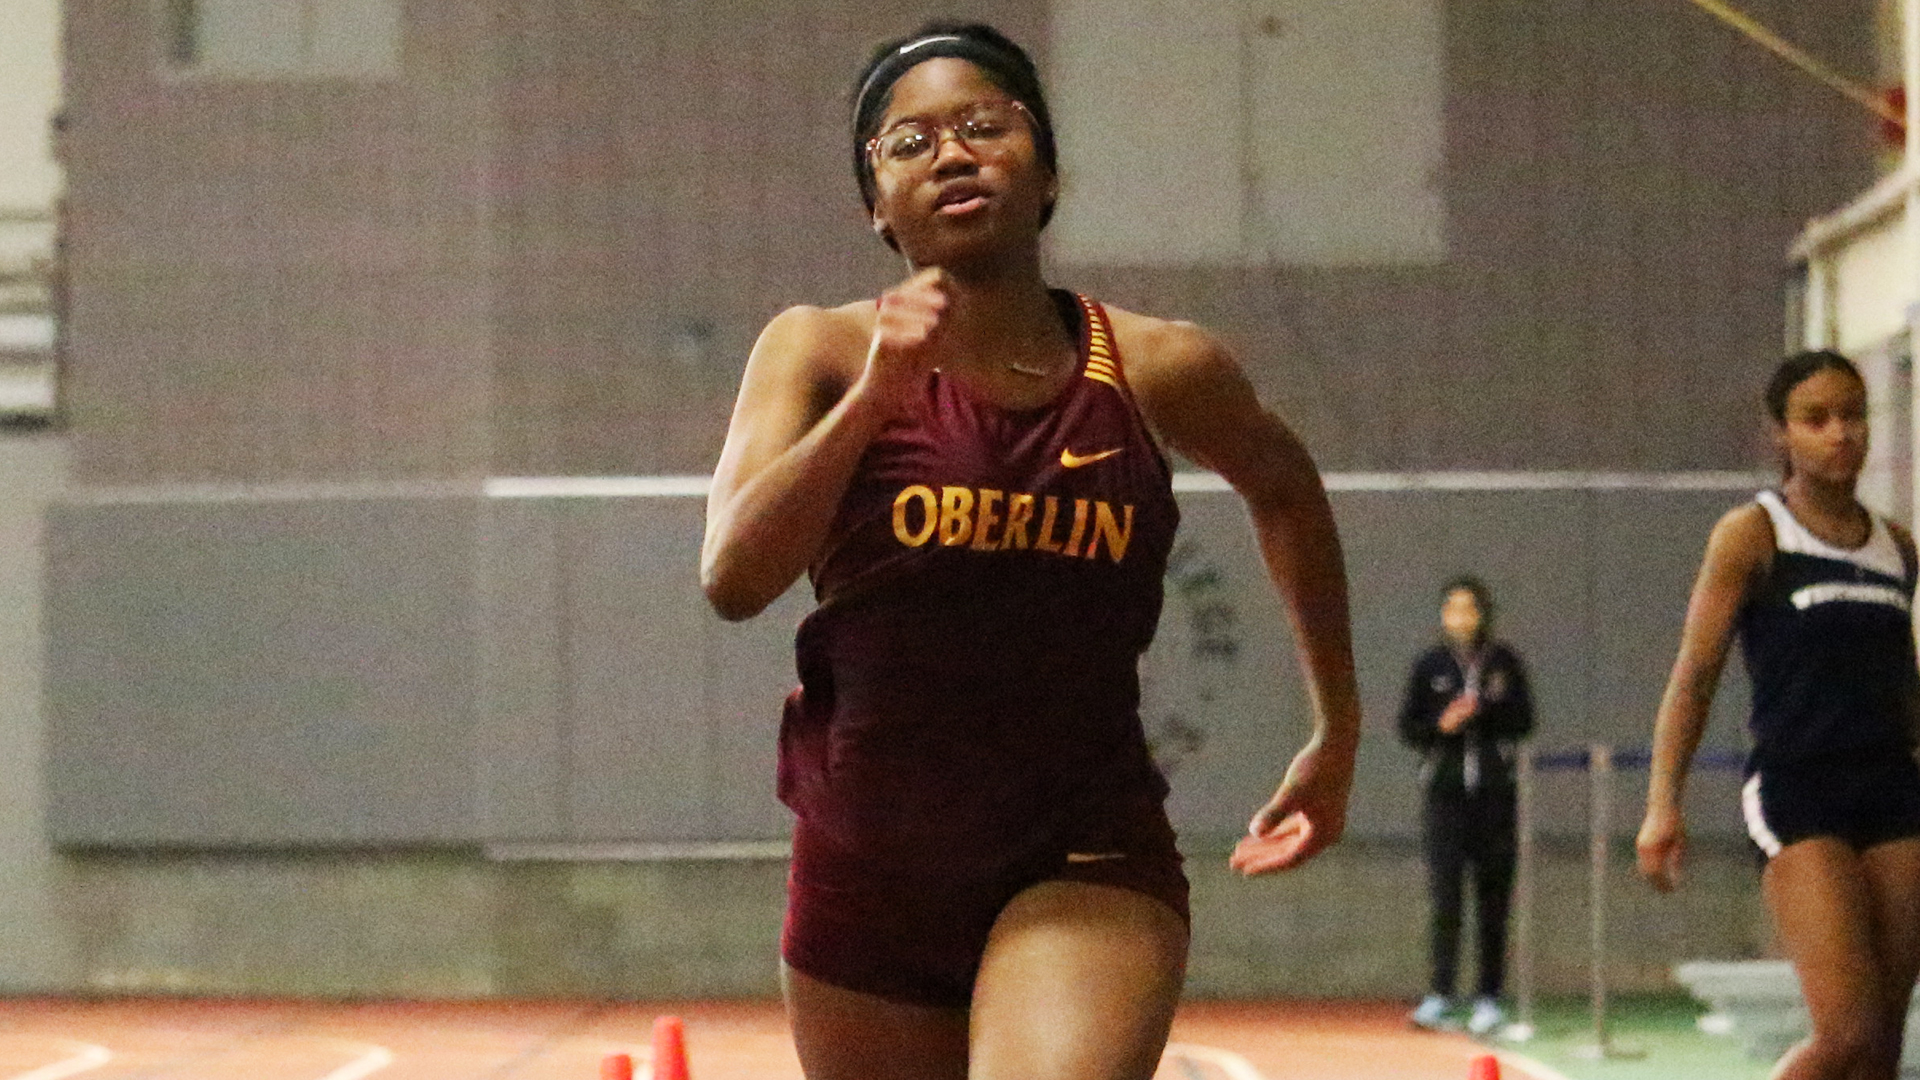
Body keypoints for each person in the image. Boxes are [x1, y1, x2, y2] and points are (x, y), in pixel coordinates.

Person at [699, 21, 1363, 1080]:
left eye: (982, 126)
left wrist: (1336, 730)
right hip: (866, 875)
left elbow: (1285, 489)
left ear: (1046, 171)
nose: (951, 154)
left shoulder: (1156, 365)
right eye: (907, 144)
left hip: (1080, 854)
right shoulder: (816, 349)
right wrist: (876, 398)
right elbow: (732, 577)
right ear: (874, 204)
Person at [1637, 350, 1920, 1080]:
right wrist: (1662, 805)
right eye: (1816, 419)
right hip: (1800, 791)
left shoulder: (1899, 548)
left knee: (1885, 1042)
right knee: (1848, 1031)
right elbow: (1694, 679)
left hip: (1894, 793)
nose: (1839, 433)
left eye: (1853, 415)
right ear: (1781, 435)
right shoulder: (1753, 535)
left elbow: (1902, 684)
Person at [1397, 576, 1533, 1036]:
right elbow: (1408, 727)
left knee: (1493, 898)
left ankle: (1489, 997)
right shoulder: (1429, 665)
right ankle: (1439, 994)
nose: (1461, 618)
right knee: (1445, 896)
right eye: (1452, 609)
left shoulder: (1503, 662)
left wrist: (1484, 713)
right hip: (1445, 796)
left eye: (1469, 609)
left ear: (1483, 613)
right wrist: (1444, 724)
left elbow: (1524, 720)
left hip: (1495, 796)